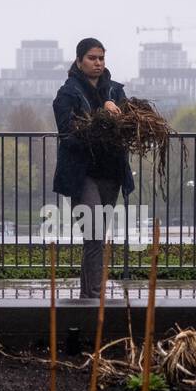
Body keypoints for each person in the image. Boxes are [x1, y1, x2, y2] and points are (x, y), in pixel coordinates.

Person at [51, 37, 135, 298]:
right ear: (79, 61)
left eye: (101, 58)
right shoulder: (66, 95)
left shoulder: (116, 92)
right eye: (92, 58)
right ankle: (96, 297)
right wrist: (102, 115)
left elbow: (127, 128)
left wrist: (119, 115)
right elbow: (68, 133)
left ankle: (88, 297)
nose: (98, 63)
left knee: (95, 238)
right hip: (82, 174)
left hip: (111, 173)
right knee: (95, 231)